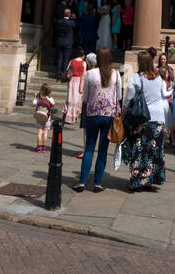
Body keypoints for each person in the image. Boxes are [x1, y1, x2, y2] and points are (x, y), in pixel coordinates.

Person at [75, 46, 121, 192]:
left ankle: (82, 182)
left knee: (89, 148)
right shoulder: (116, 74)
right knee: (102, 150)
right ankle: (97, 183)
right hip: (109, 115)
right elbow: (118, 96)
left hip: (93, 114)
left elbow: (86, 96)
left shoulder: (91, 74)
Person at [122, 50, 168, 192]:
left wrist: (123, 112)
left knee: (139, 149)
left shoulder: (137, 77)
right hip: (158, 117)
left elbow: (129, 97)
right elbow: (162, 94)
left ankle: (138, 181)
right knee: (154, 149)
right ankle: (150, 180)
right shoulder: (158, 77)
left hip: (142, 118)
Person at [65, 49, 86, 124]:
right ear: (83, 56)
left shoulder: (72, 61)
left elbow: (68, 71)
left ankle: (68, 115)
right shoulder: (83, 63)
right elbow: (84, 75)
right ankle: (75, 117)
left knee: (70, 97)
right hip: (78, 81)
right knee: (77, 98)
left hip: (71, 80)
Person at [54, 8, 76, 79]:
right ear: (69, 14)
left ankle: (58, 74)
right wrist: (73, 18)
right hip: (68, 42)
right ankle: (64, 74)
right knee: (66, 58)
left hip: (60, 41)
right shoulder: (71, 22)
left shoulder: (59, 22)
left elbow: (57, 31)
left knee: (60, 58)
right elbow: (75, 25)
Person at [33, 83, 56, 152]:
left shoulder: (39, 98)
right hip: (47, 117)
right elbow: (53, 104)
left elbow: (33, 104)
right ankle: (43, 147)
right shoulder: (49, 98)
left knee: (40, 131)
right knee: (45, 132)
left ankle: (38, 147)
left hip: (39, 116)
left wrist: (35, 97)